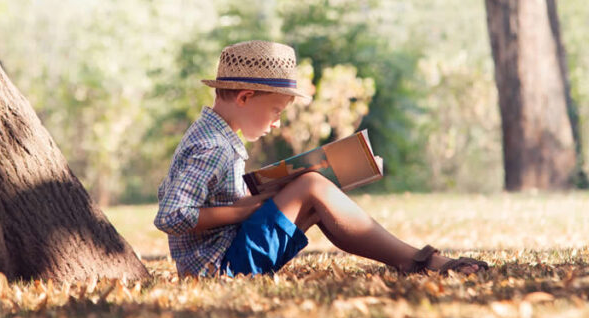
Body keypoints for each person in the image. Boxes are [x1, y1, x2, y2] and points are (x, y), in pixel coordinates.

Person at [154, 40, 488, 277]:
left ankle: (413, 262)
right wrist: (249, 208)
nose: (277, 121)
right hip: (217, 267)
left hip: (227, 254)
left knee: (312, 194)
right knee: (312, 185)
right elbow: (172, 216)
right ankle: (419, 261)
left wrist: (259, 194)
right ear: (245, 97)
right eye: (275, 110)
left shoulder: (216, 137)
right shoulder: (211, 146)